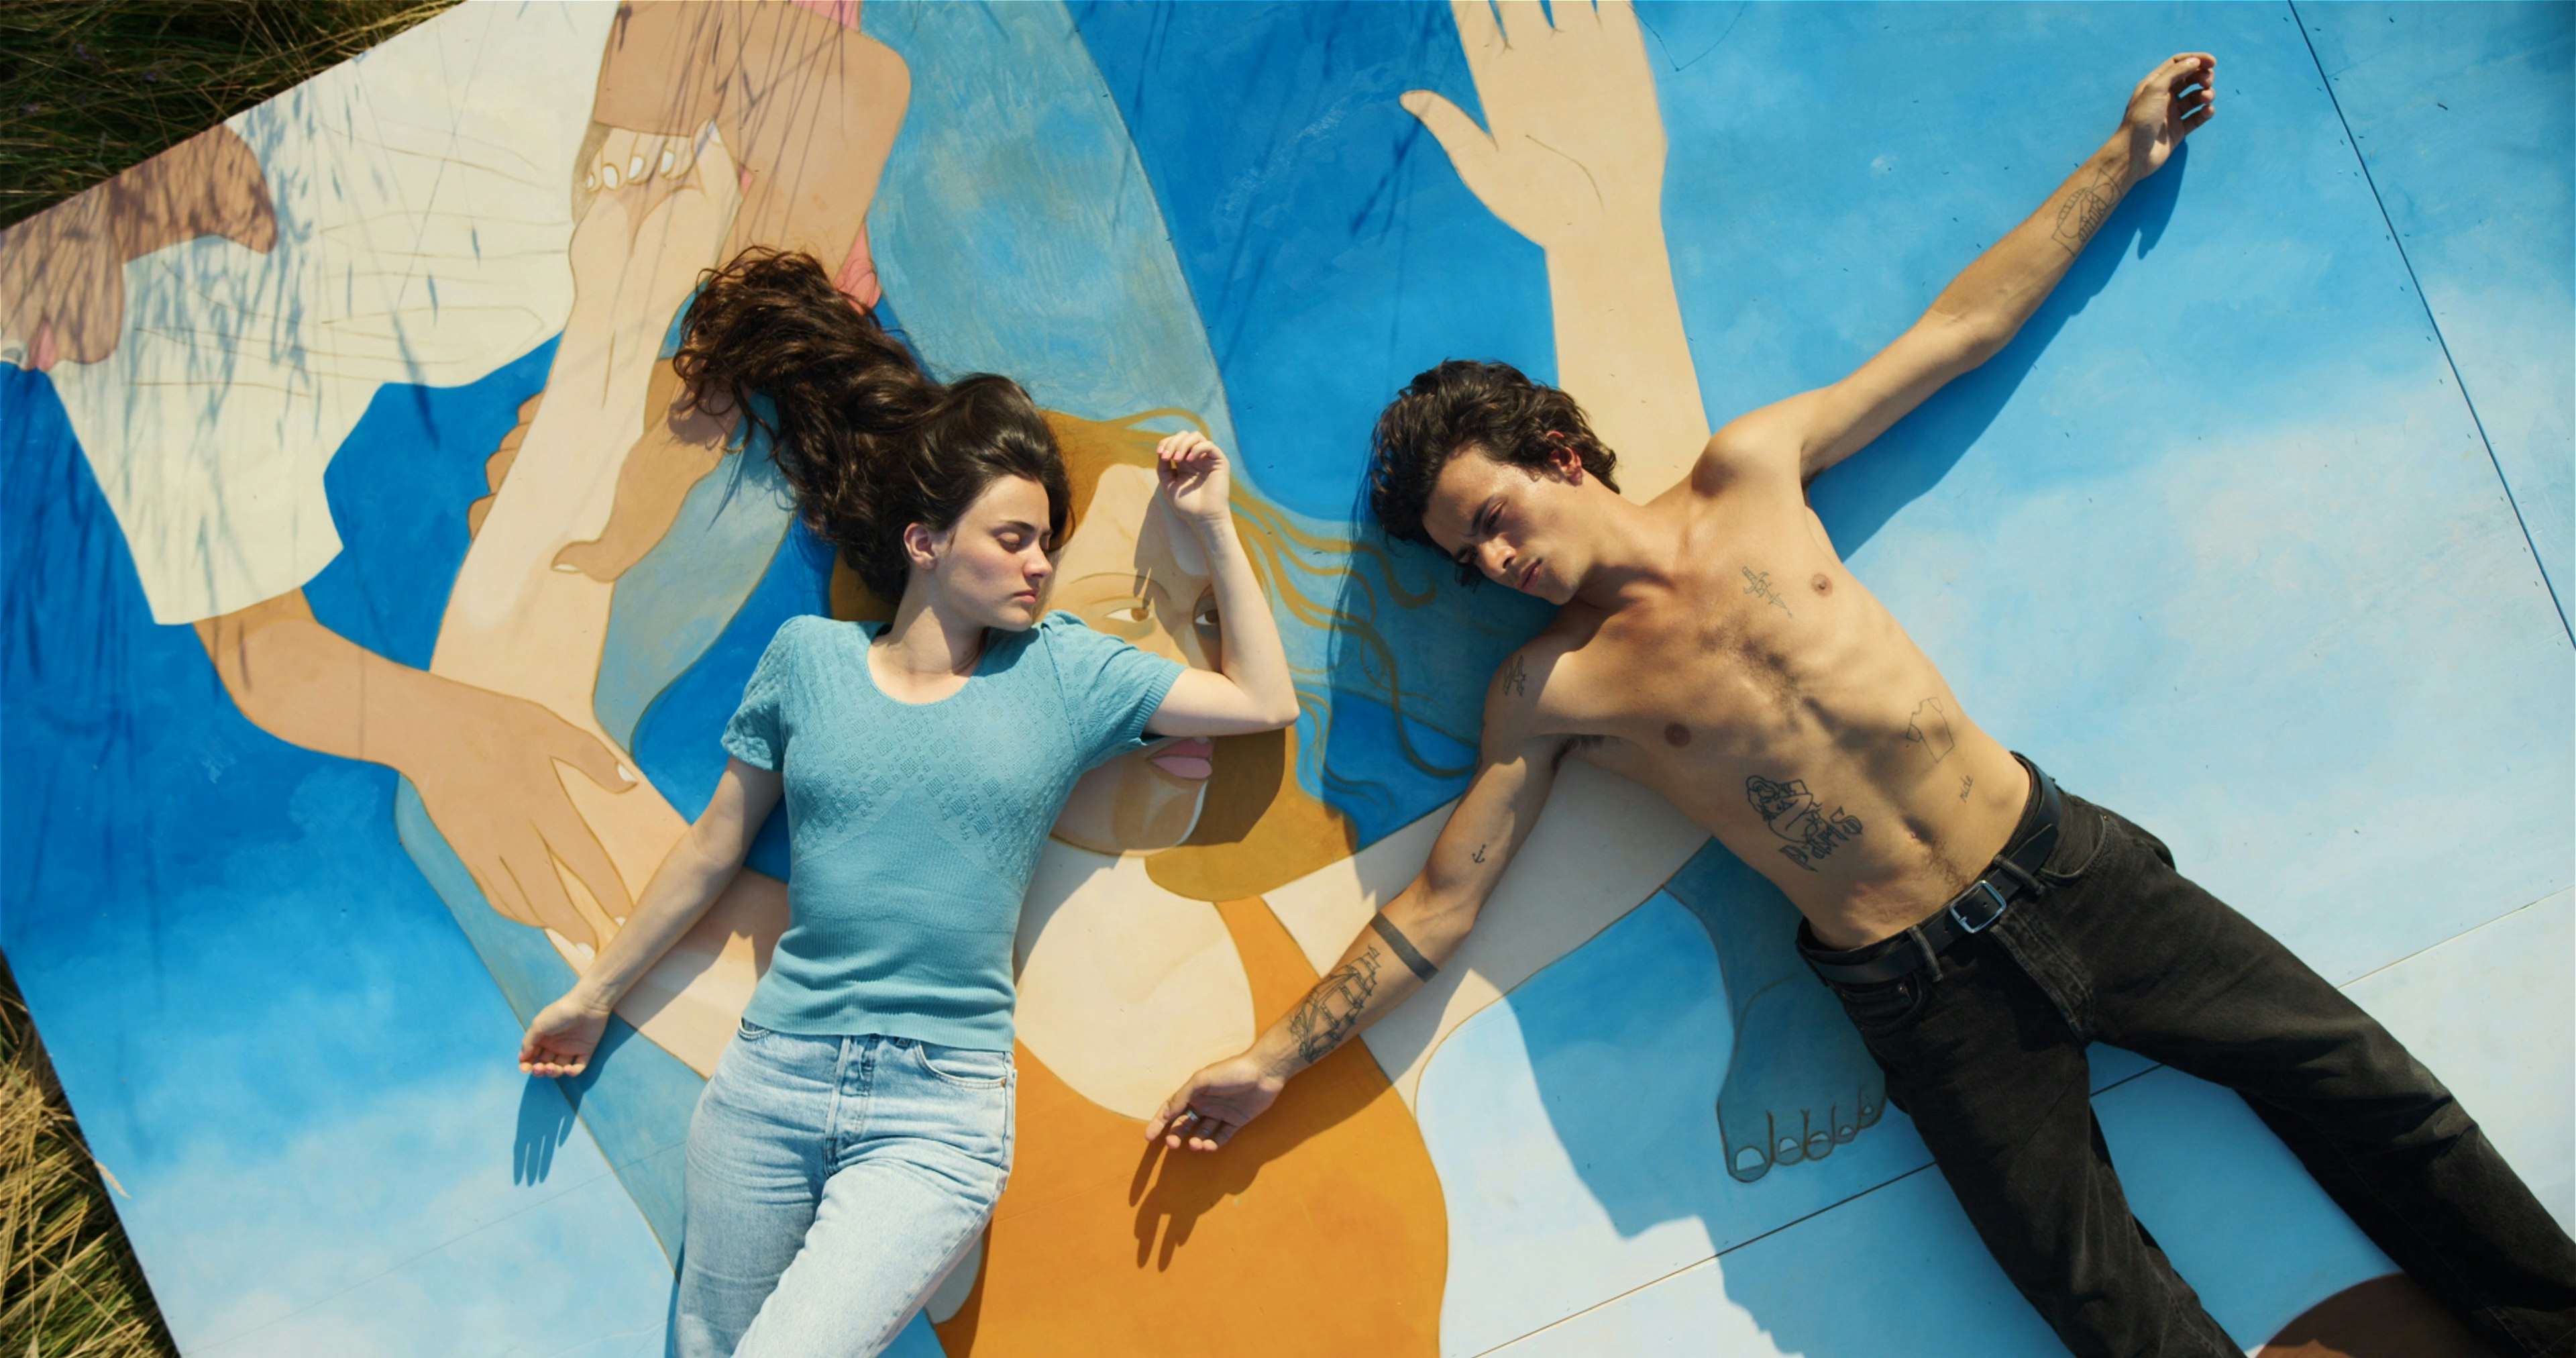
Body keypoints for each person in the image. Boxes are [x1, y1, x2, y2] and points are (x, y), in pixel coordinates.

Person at [1148, 52, 2576, 1358]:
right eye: (1473, 557)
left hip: (2063, 870)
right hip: (1920, 992)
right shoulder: (1549, 691)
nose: (1502, 562)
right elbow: (1447, 900)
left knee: (2366, 1087)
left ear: (1562, 451)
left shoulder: (1754, 469)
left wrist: (2118, 157)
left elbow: (1957, 332)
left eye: (1496, 517)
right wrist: (1274, 1058)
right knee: (2102, 1303)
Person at [516, 248, 1298, 1357]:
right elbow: (715, 848)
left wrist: (1212, 524)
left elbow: (1262, 701)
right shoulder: (808, 660)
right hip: (772, 1083)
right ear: (927, 545)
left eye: (1047, 544)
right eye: (1014, 539)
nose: (1038, 567)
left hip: (938, 1113)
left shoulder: (1067, 672)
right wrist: (595, 992)